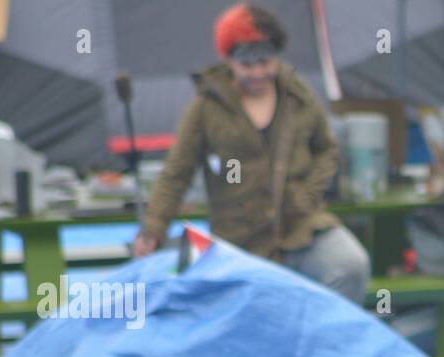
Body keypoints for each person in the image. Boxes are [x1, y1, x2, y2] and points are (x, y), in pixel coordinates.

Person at [134, 3, 371, 304]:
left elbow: (326, 151)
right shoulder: (206, 108)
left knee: (350, 265)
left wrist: (307, 196)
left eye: (265, 61)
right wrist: (153, 230)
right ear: (229, 59)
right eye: (247, 64)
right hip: (236, 239)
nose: (258, 72)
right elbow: (176, 174)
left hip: (300, 229)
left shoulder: (298, 95)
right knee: (178, 282)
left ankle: (327, 348)